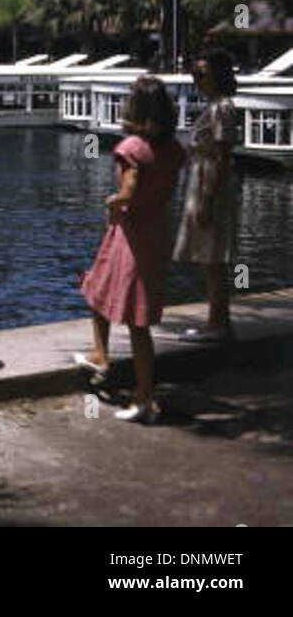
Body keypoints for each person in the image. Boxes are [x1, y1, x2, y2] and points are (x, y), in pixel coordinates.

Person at [74, 76, 186, 423]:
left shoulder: (131, 148)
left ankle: (145, 398)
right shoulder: (174, 150)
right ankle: (101, 355)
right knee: (97, 288)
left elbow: (130, 190)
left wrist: (113, 200)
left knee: (136, 320)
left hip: (131, 235)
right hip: (156, 231)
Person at [173, 49, 240, 342]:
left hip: (210, 185)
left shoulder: (221, 108)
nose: (196, 80)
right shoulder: (214, 106)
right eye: (194, 74)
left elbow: (222, 158)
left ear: (217, 76)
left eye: (201, 74)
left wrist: (207, 199)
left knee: (213, 259)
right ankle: (217, 321)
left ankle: (217, 325)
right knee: (209, 258)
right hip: (204, 180)